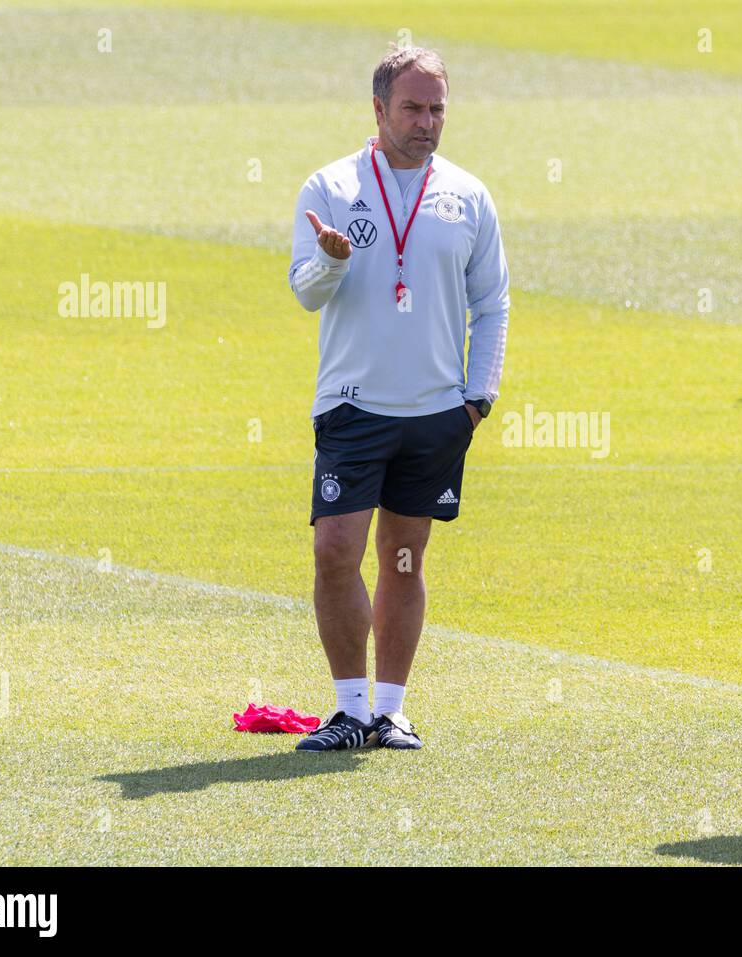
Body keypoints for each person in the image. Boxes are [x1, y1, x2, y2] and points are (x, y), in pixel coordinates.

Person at [287, 46, 509, 751]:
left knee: (405, 557)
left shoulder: (468, 195)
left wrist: (479, 396)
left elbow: (492, 301)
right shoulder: (330, 187)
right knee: (335, 551)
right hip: (353, 405)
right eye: (412, 107)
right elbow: (305, 290)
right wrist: (331, 259)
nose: (427, 122)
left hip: (436, 413)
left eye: (437, 107)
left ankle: (390, 710)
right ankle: (349, 709)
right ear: (377, 109)